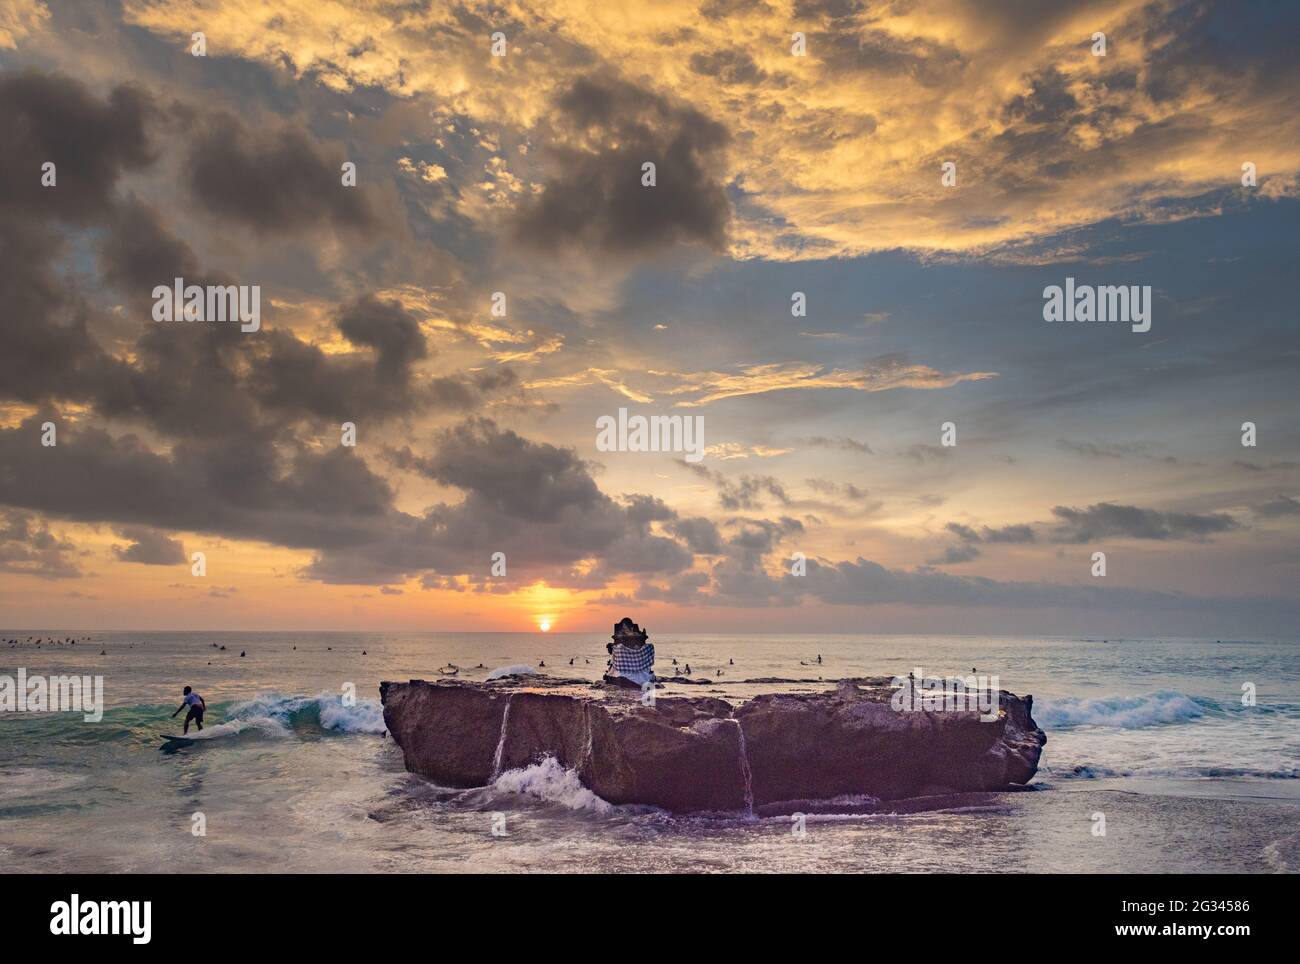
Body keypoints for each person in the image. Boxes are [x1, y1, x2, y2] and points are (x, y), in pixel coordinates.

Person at [603, 617, 655, 689]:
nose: (625, 629)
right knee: (619, 649)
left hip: (637, 658)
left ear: (631, 627)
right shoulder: (621, 635)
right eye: (623, 628)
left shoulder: (636, 635)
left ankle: (639, 670)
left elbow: (640, 643)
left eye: (626, 627)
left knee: (649, 647)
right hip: (624, 662)